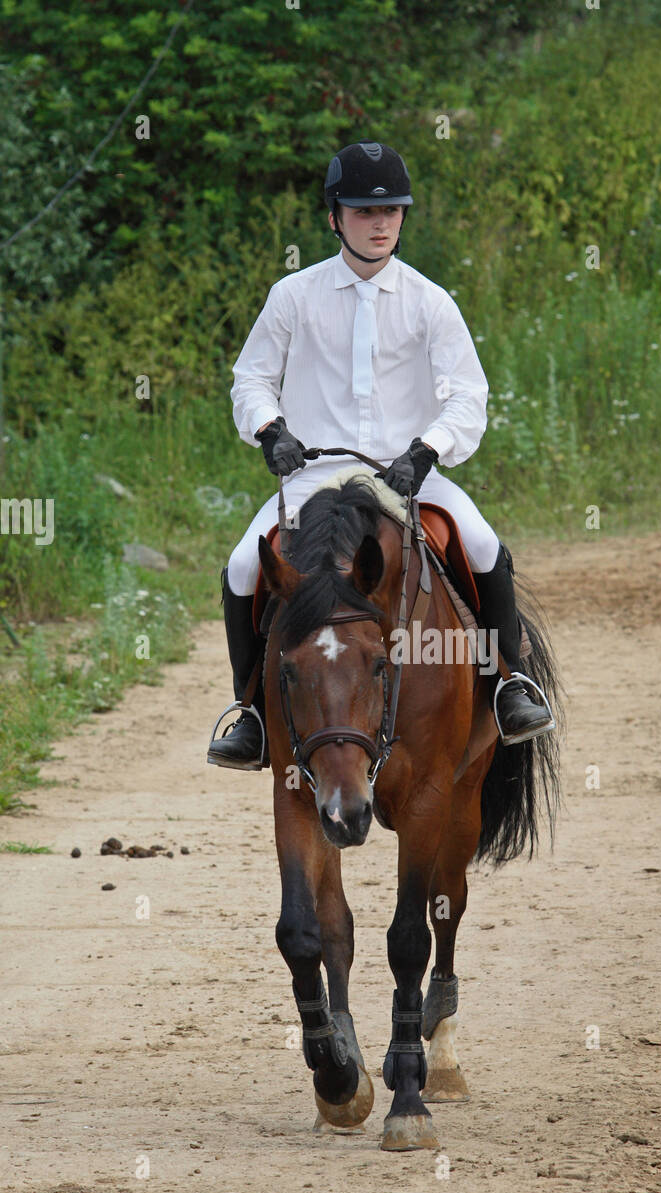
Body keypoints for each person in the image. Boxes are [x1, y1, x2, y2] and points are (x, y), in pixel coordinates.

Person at [207, 140, 555, 770]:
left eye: (392, 211)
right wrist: (271, 431)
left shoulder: (431, 302)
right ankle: (250, 712)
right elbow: (251, 380)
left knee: (482, 547)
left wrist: (427, 452)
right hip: (315, 478)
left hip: (408, 477)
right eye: (364, 212)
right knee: (239, 566)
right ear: (334, 217)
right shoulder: (294, 297)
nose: (380, 223)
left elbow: (467, 398)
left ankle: (509, 683)